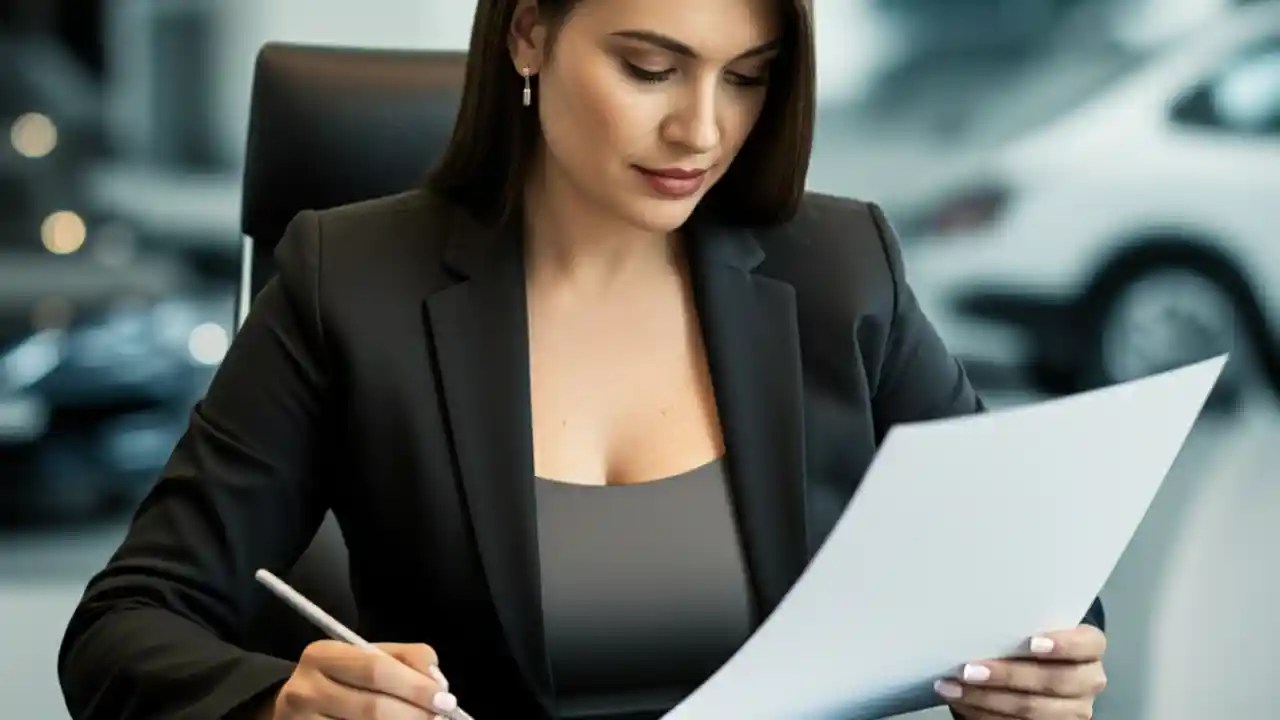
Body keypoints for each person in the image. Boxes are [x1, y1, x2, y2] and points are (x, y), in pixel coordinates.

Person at [57, 0, 1108, 718]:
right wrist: (281, 700)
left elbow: (1027, 577)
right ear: (527, 34)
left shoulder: (840, 268)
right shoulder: (351, 281)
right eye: (649, 68)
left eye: (744, 79)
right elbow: (120, 629)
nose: (700, 129)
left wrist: (1043, 666)